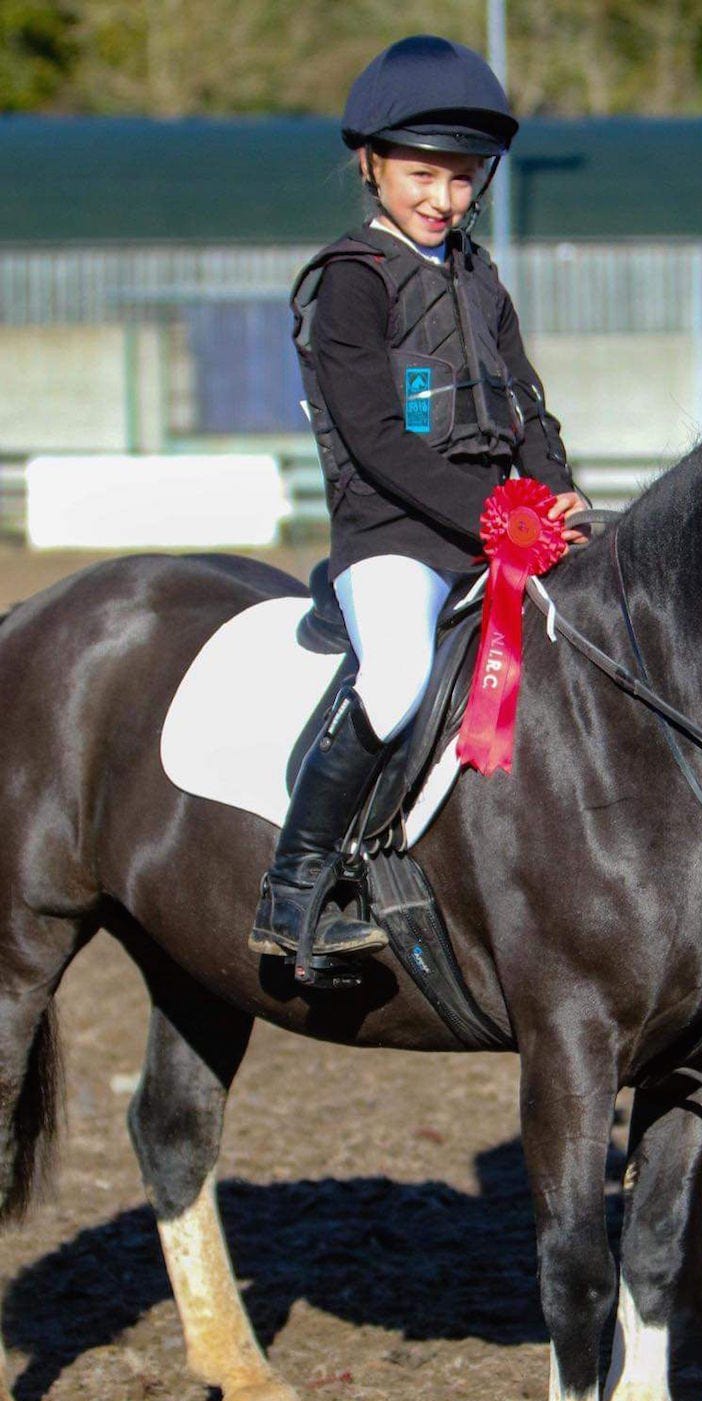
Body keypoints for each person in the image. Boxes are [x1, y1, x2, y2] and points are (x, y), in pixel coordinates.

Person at [250, 35, 588, 962]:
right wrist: (487, 518)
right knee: (397, 678)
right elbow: (376, 442)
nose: (445, 199)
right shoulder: (348, 281)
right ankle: (299, 881)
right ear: (371, 163)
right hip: (394, 534)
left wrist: (555, 495)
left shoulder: (478, 277)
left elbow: (525, 403)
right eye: (422, 176)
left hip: (502, 530)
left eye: (463, 179)